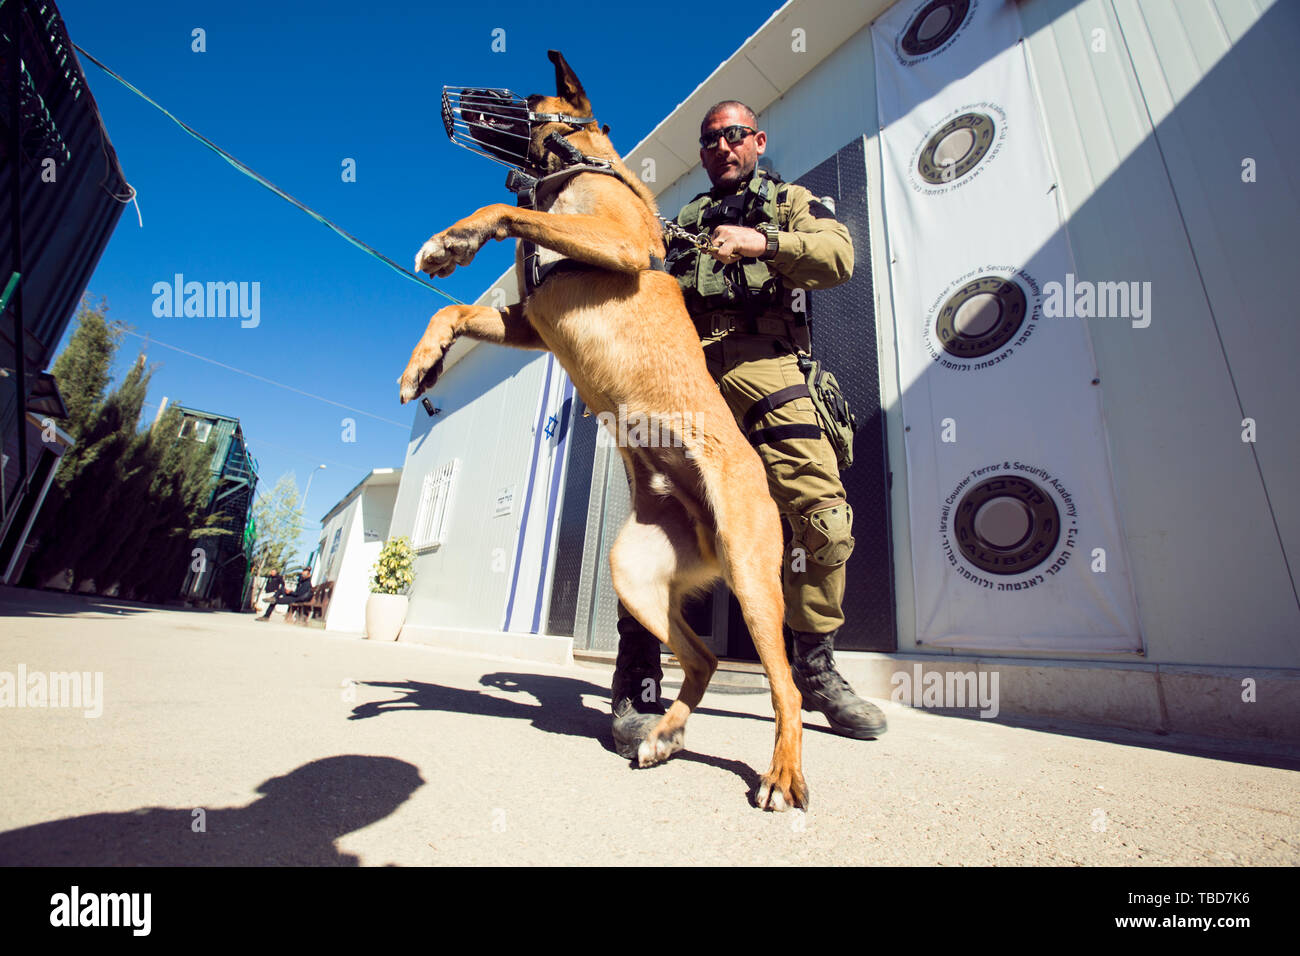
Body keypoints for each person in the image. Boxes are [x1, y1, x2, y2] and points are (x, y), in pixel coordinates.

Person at [610, 100, 887, 757]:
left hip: (771, 370)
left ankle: (814, 668)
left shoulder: (791, 201)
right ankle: (638, 680)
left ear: (757, 141)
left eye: (735, 135)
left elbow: (837, 256)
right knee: (662, 525)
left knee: (824, 517)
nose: (722, 147)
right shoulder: (685, 225)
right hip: (692, 380)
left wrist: (764, 243)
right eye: (710, 140)